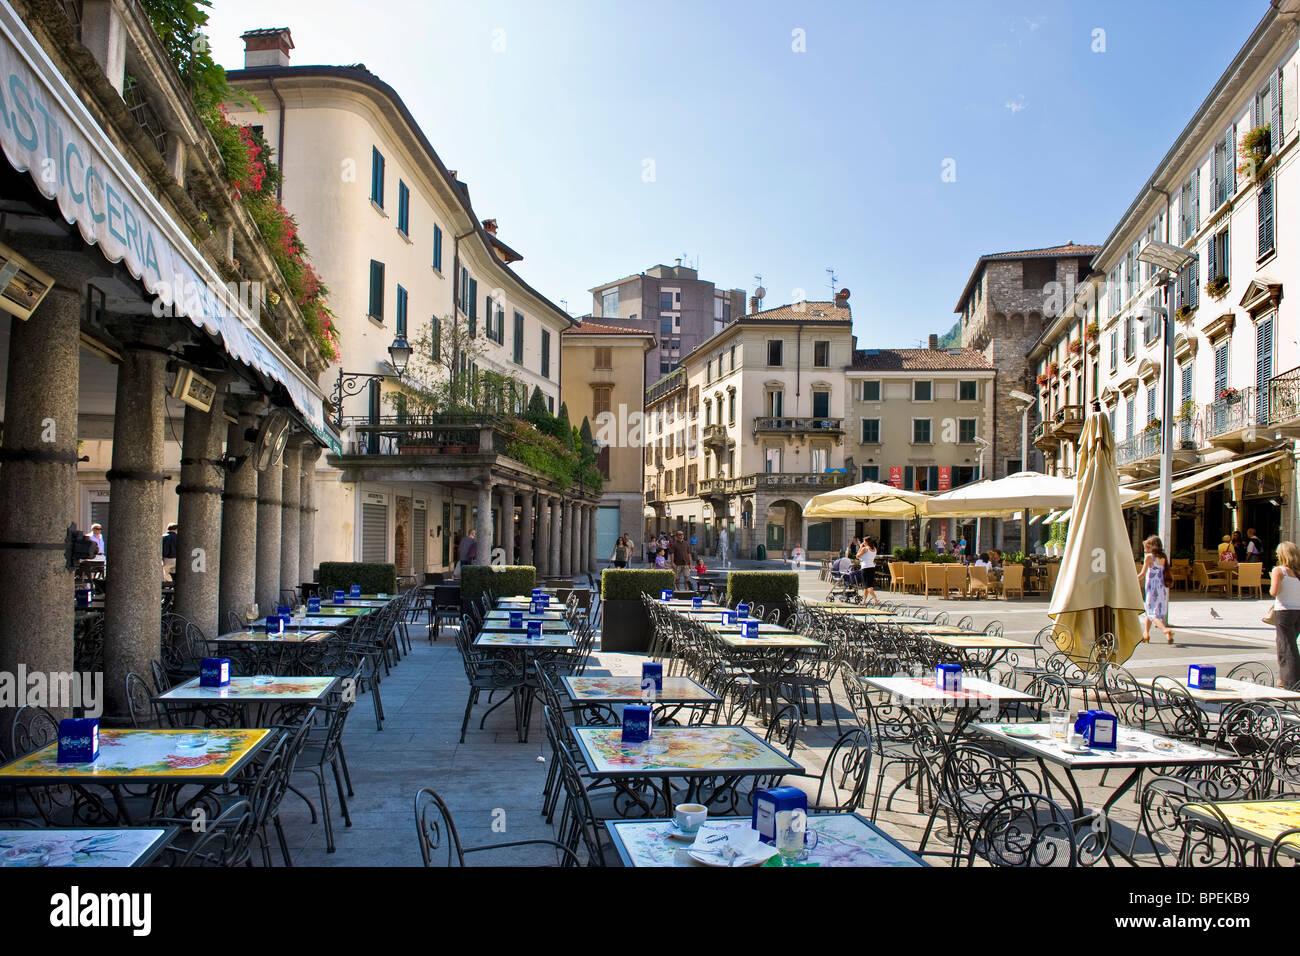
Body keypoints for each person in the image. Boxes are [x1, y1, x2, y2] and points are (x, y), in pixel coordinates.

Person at [1269, 541, 1300, 688]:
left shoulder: (1279, 571)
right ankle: (1283, 678)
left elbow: (1274, 592)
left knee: (1287, 646)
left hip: (1284, 611)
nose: (1276, 554)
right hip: (1298, 611)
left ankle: (1292, 681)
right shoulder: (1298, 573)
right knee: (1285, 644)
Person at [1139, 535, 1174, 644]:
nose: (1145, 550)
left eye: (1146, 547)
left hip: (1152, 588)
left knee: (1151, 613)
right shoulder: (1163, 557)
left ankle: (1165, 630)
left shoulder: (1149, 557)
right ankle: (1146, 634)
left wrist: (1130, 580)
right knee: (1151, 610)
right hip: (1161, 588)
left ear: (1151, 547)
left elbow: (1142, 574)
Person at [858, 536, 879, 604]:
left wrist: (860, 547)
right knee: (866, 586)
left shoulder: (865, 549)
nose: (863, 542)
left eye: (864, 541)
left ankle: (876, 599)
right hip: (872, 567)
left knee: (869, 586)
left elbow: (857, 556)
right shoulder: (874, 549)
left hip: (865, 568)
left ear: (866, 542)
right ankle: (864, 601)